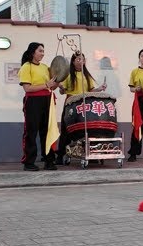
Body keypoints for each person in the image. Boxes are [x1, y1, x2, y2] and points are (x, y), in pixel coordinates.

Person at [56, 51, 105, 165]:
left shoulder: (86, 75)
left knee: (86, 130)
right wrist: (61, 88)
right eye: (78, 59)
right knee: (66, 131)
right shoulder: (68, 74)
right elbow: (62, 91)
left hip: (84, 106)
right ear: (73, 61)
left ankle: (90, 155)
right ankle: (60, 156)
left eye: (83, 59)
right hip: (71, 105)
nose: (81, 61)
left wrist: (100, 88)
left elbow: (91, 90)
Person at [18, 42, 60, 171]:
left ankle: (49, 161)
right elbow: (27, 88)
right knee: (31, 132)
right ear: (33, 52)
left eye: (43, 51)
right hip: (33, 101)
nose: (43, 53)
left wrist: (59, 80)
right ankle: (29, 162)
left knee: (47, 131)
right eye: (40, 51)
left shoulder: (45, 67)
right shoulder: (26, 67)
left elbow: (52, 86)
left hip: (47, 100)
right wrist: (46, 85)